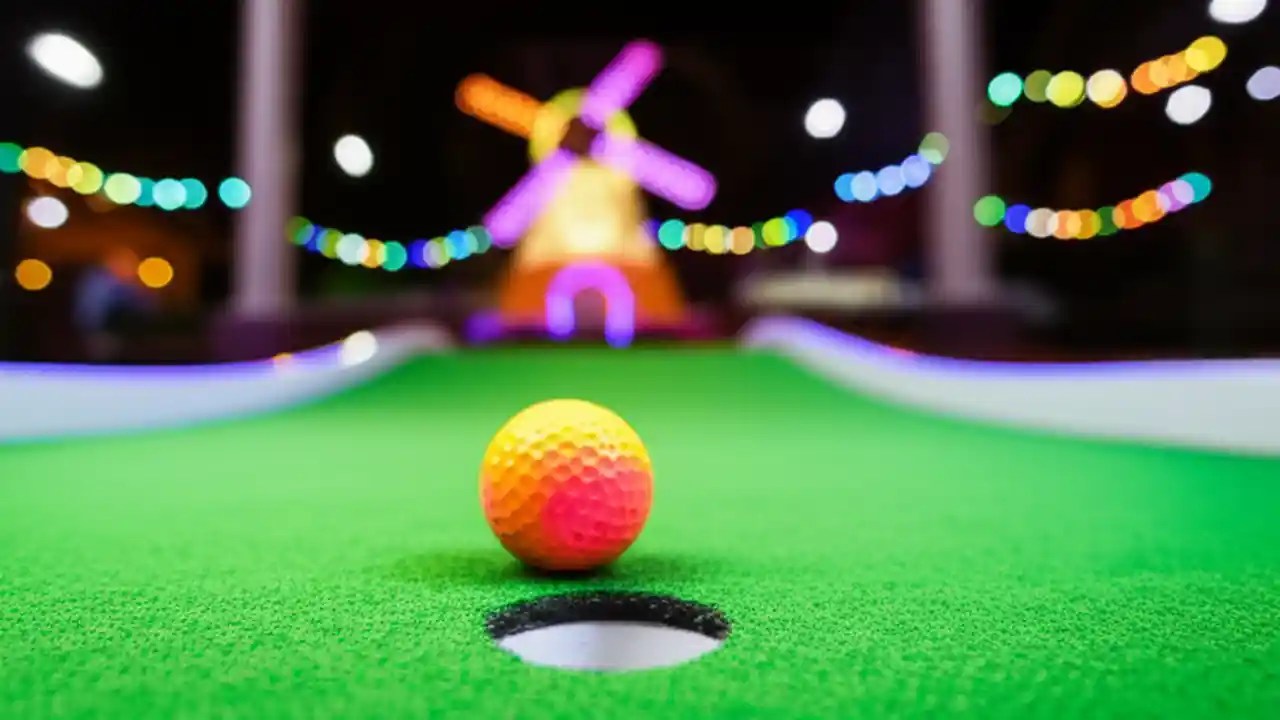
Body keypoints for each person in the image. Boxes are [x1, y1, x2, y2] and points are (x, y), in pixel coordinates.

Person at [73, 247, 152, 362]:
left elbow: (145, 309)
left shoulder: (130, 286)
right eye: (122, 263)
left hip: (124, 336)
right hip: (99, 332)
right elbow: (89, 310)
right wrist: (94, 331)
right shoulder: (97, 282)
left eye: (129, 264)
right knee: (101, 361)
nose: (127, 268)